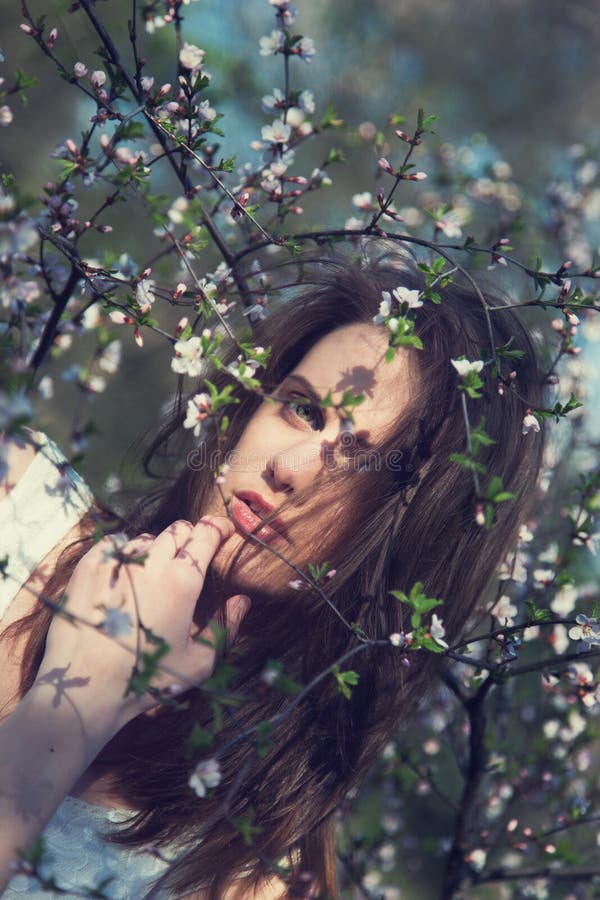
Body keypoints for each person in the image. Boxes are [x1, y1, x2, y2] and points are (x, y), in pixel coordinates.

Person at [0, 249, 544, 899]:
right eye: (303, 409)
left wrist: (83, 698)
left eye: (359, 461)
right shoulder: (18, 502)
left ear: (414, 542)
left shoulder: (246, 881)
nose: (288, 467)